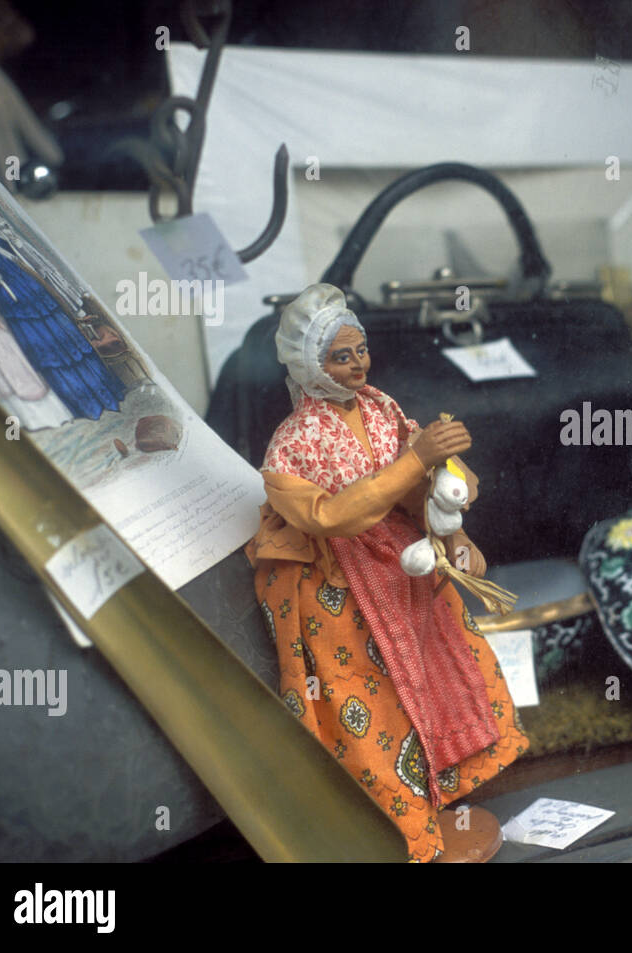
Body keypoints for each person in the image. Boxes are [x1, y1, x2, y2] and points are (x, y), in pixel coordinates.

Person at [244, 283, 527, 863]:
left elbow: (420, 483)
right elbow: (328, 516)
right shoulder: (293, 444)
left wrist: (455, 524)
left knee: (435, 676)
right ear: (308, 364)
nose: (356, 365)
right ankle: (393, 831)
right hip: (339, 588)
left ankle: (441, 800)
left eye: (360, 351)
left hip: (405, 572)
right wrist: (417, 461)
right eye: (340, 357)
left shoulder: (380, 406)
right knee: (371, 708)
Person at [0, 206, 124, 420]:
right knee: (46, 346)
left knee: (64, 337)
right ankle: (82, 403)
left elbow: (2, 245)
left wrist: (5, 239)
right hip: (3, 290)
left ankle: (102, 394)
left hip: (19, 279)